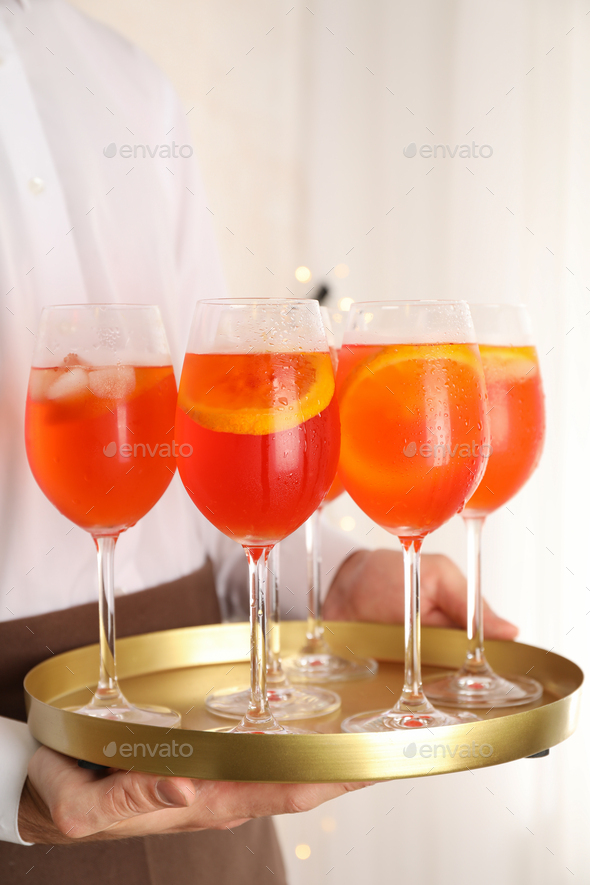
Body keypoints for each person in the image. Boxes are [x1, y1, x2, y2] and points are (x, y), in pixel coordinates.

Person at [0, 1, 518, 883]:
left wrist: (322, 586)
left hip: (208, 743)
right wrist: (9, 780)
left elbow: (210, 460)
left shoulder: (129, 85)